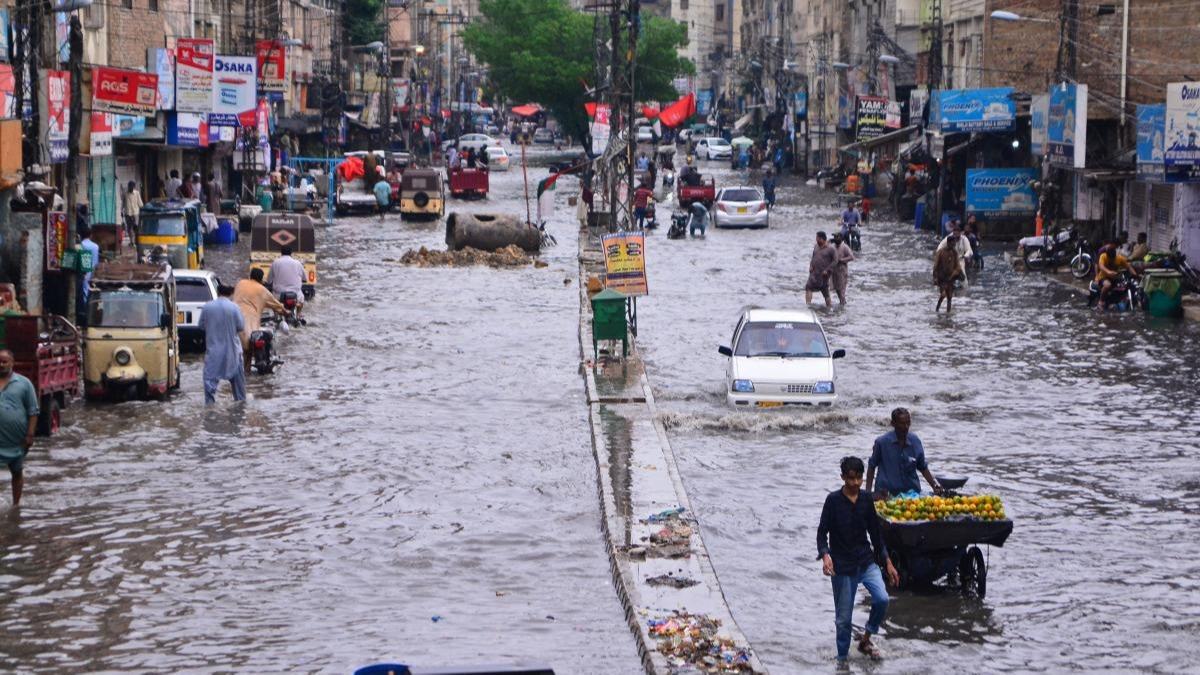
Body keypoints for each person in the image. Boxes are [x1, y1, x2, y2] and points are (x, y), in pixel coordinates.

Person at [817, 456, 900, 666]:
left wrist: (888, 563)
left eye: (859, 479)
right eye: (851, 479)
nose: (855, 483)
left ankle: (866, 639)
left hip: (866, 561)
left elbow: (875, 534)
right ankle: (842, 661)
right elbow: (822, 533)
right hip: (842, 566)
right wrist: (826, 555)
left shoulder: (866, 500)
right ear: (843, 477)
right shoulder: (833, 501)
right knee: (843, 620)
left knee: (882, 599)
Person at [867, 408, 942, 498]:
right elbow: (871, 467)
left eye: (908, 423)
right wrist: (867, 494)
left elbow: (922, 467)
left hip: (912, 494)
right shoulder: (882, 443)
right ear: (893, 423)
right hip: (885, 495)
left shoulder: (915, 441)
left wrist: (934, 486)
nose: (906, 427)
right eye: (902, 423)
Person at [0, 350, 39, 507]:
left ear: (12, 363)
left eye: (4, 362)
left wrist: (30, 434)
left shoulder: (24, 383)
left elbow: (33, 411)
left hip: (16, 440)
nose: (1, 365)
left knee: (16, 471)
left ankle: (16, 505)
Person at [198, 284, 246, 404]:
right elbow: (240, 327)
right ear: (230, 294)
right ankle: (240, 411)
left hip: (214, 351)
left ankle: (210, 411)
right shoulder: (234, 307)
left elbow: (201, 326)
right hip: (233, 351)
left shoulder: (207, 307)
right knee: (239, 390)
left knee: (209, 383)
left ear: (218, 292)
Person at [232, 268, 285, 374]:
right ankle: (246, 375)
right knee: (248, 350)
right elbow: (277, 306)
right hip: (248, 325)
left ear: (250, 276)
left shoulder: (240, 283)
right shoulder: (262, 290)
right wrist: (286, 312)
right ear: (261, 279)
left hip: (232, 322)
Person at [806, 231, 838, 307]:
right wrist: (811, 266)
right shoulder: (816, 246)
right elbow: (813, 257)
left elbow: (835, 261)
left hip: (824, 274)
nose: (816, 239)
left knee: (825, 292)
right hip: (814, 273)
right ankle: (808, 306)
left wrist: (827, 270)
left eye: (817, 238)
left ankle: (829, 308)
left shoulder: (831, 249)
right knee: (808, 287)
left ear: (822, 239)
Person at [933, 239, 962, 312]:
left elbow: (958, 266)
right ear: (948, 243)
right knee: (943, 295)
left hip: (950, 278)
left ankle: (948, 314)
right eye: (952, 244)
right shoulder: (941, 252)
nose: (953, 246)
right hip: (942, 277)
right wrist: (935, 277)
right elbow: (935, 265)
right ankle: (937, 309)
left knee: (949, 297)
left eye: (954, 244)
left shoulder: (955, 253)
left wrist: (954, 274)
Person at [831, 232, 855, 306]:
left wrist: (842, 260)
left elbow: (852, 257)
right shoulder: (832, 246)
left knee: (841, 289)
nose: (835, 238)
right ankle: (842, 302)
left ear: (841, 238)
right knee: (837, 289)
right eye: (834, 237)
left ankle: (843, 304)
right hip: (834, 271)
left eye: (837, 237)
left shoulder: (845, 247)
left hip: (842, 270)